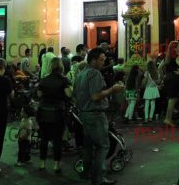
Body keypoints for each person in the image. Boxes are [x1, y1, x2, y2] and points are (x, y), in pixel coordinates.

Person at [74, 48, 123, 185]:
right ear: (93, 60)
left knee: (89, 146)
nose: (103, 62)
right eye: (101, 60)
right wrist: (113, 89)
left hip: (84, 113)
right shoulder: (94, 73)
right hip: (95, 115)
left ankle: (86, 173)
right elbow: (96, 96)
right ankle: (98, 178)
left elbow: (75, 95)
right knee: (103, 146)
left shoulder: (81, 74)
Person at [36, 57, 72, 173]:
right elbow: (69, 94)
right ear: (61, 66)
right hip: (57, 112)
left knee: (44, 139)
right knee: (57, 139)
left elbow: (39, 94)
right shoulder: (64, 79)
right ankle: (56, 165)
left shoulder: (44, 79)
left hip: (43, 112)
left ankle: (42, 163)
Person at [162, 41, 179, 127]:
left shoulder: (167, 58)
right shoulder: (176, 58)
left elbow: (159, 68)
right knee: (172, 100)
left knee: (171, 99)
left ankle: (167, 118)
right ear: (174, 48)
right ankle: (168, 119)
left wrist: (164, 75)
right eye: (177, 47)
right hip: (174, 79)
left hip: (168, 79)